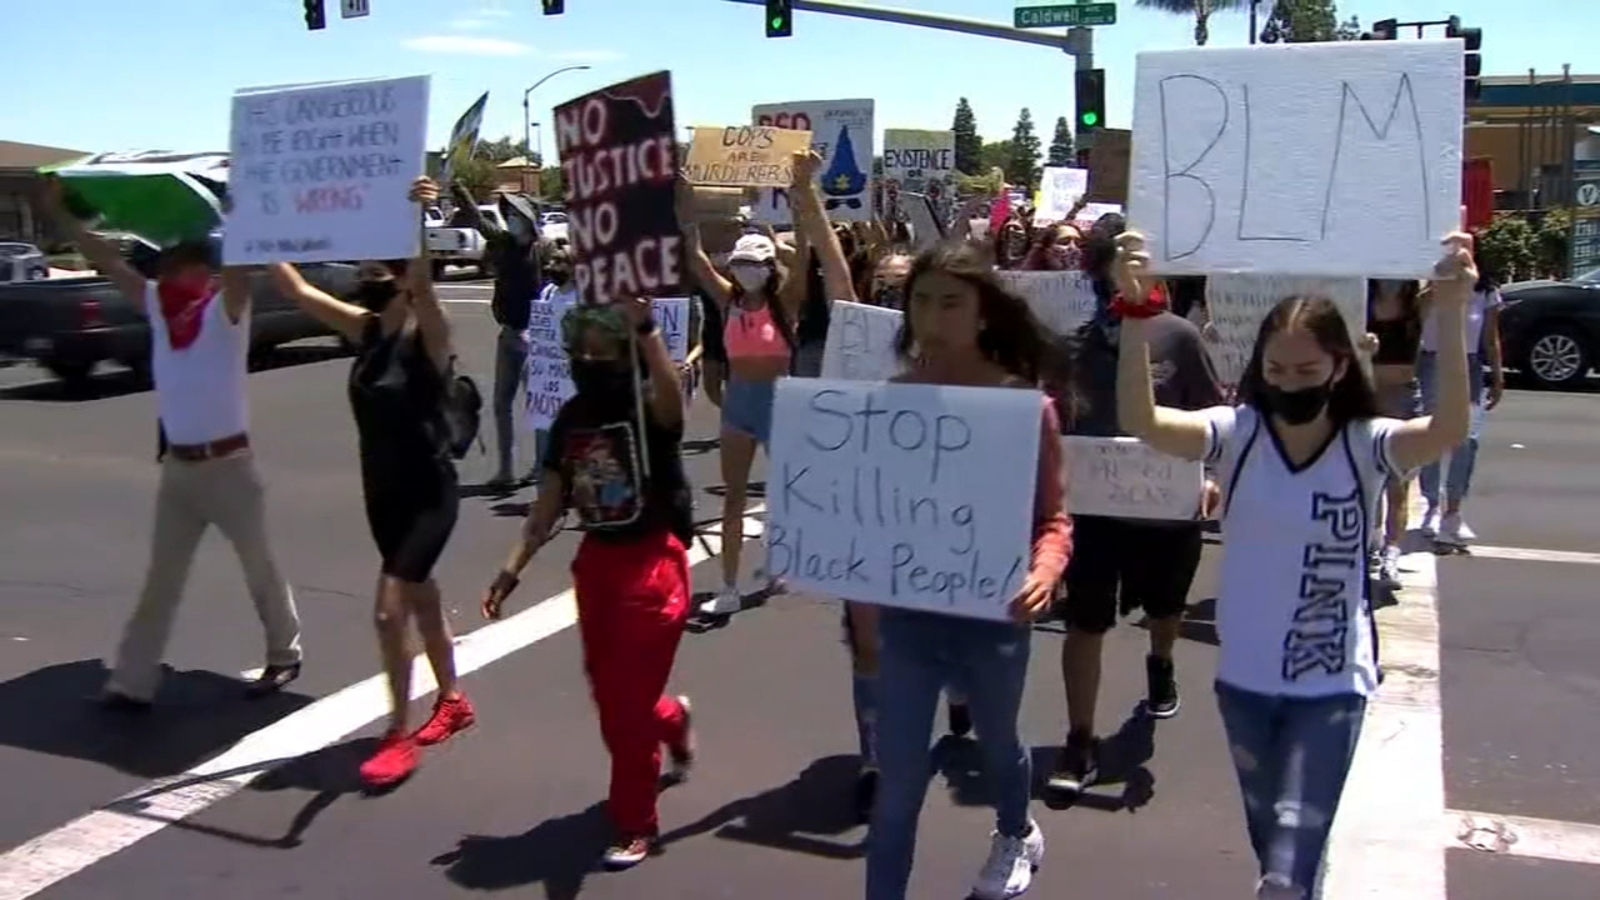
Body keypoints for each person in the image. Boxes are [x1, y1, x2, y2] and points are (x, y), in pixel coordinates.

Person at [1111, 228, 1476, 900]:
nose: (1289, 385)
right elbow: (1145, 421)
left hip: (1332, 688)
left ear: (1340, 367)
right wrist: (1136, 315)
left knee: (1283, 872)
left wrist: (1450, 313)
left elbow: (1448, 429)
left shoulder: (1366, 445)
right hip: (1245, 685)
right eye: (1276, 372)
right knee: (1272, 848)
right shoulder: (1237, 433)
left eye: (1307, 372)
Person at [792, 150, 1072, 900]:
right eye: (922, 302)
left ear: (983, 311)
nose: (933, 317)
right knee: (898, 788)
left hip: (994, 617)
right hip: (910, 622)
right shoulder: (887, 403)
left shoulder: (1025, 409)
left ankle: (1016, 828)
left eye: (951, 303)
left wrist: (1045, 570)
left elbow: (1052, 518)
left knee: (1001, 744)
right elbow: (863, 515)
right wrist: (856, 598)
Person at [37, 177, 304, 709]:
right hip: (179, 472)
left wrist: (239, 219)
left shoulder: (226, 313)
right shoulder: (161, 306)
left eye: (185, 265)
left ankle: (284, 651)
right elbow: (107, 261)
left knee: (260, 566)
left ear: (203, 271)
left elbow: (237, 276)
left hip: (229, 466)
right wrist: (62, 217)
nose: (173, 273)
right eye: (171, 265)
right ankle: (131, 680)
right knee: (161, 579)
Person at [268, 177, 471, 789]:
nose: (369, 272)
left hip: (429, 494)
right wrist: (251, 226)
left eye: (381, 266)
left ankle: (395, 734)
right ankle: (454, 701)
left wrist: (418, 214)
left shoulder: (429, 336)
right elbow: (296, 288)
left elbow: (428, 288)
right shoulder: (366, 330)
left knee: (390, 613)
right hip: (381, 492)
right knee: (423, 601)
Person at [482, 295, 696, 871]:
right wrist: (511, 569)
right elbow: (546, 507)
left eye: (599, 353)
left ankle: (635, 823)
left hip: (653, 569)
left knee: (624, 713)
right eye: (578, 353)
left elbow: (674, 403)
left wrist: (648, 330)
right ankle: (672, 719)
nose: (585, 362)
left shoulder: (647, 406)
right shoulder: (570, 421)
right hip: (596, 569)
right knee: (612, 701)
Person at [1047, 214, 1223, 796]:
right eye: (1113, 266)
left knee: (1165, 608)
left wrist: (1209, 477)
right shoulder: (1072, 345)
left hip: (1165, 511)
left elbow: (1209, 418)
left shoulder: (1179, 337)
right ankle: (1079, 739)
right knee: (1084, 624)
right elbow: (1053, 427)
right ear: (1097, 273)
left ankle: (1161, 659)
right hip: (1093, 516)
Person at [680, 177, 804, 615]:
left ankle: (779, 563)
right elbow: (694, 258)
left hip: (779, 405)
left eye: (753, 264)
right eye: (739, 263)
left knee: (785, 493)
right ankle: (729, 586)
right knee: (733, 496)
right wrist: (688, 207)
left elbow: (804, 256)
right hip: (739, 405)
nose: (744, 270)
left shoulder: (786, 303)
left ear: (770, 267)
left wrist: (803, 199)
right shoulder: (728, 300)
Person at [452, 183, 543, 488]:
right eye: (510, 214)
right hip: (509, 334)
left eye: (517, 214)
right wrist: (459, 191)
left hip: (536, 338)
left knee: (540, 406)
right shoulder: (504, 243)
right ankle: (506, 469)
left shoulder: (543, 251)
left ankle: (543, 467)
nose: (511, 219)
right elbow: (478, 220)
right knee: (502, 404)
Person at [1418, 268, 1504, 546]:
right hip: (1432, 363)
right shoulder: (1429, 284)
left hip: (1470, 366)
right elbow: (1415, 321)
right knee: (1432, 434)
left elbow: (1491, 338)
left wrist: (1498, 376)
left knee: (1468, 439)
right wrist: (1432, 289)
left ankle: (1453, 512)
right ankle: (1431, 505)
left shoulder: (1485, 291)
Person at [1366, 278, 1426, 587]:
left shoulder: (1419, 301)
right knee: (1369, 482)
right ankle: (1373, 546)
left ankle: (1392, 552)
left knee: (1398, 484)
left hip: (1402, 396)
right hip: (1367, 395)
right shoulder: (1361, 296)